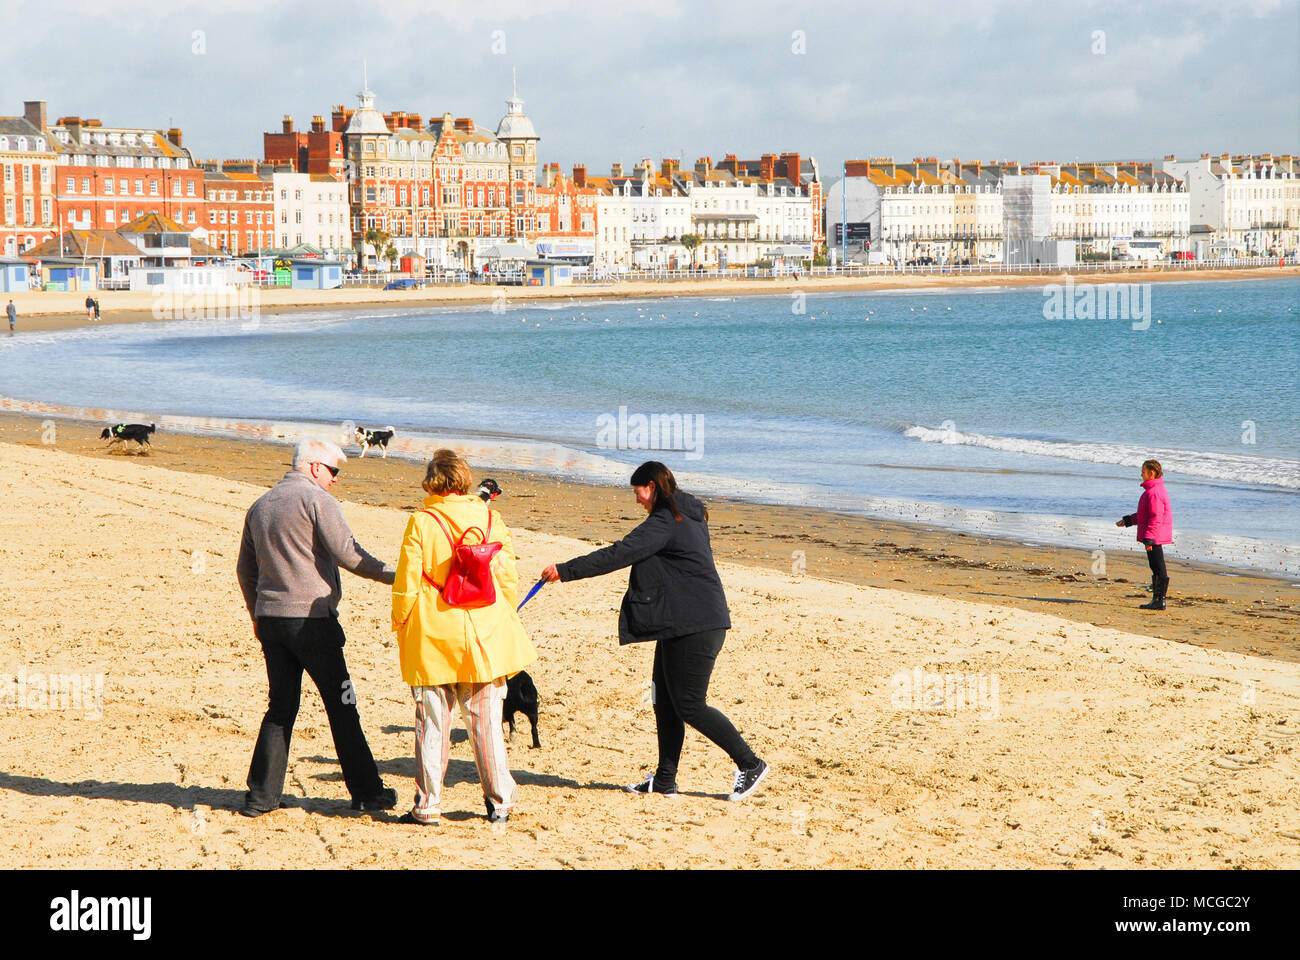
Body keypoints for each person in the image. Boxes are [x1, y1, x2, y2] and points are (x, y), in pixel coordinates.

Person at [541, 461, 769, 802]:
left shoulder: (666, 521)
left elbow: (618, 554)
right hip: (681, 621)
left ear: (651, 486)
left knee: (690, 705)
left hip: (697, 626)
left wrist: (565, 570)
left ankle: (750, 764)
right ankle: (665, 780)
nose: (636, 501)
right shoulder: (686, 513)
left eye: (637, 492)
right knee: (663, 701)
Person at [236, 439, 398, 817]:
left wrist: (256, 615)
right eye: (333, 471)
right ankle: (369, 794)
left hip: (272, 620)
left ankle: (261, 797)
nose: (335, 480)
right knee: (343, 705)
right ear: (313, 467)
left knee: (281, 706)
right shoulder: (317, 501)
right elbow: (350, 554)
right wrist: (398, 576)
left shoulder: (260, 506)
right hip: (312, 622)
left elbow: (246, 571)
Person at [392, 448, 536, 825]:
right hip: (484, 632)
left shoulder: (422, 521)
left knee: (433, 724)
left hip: (434, 631)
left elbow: (406, 581)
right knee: (486, 724)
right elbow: (506, 576)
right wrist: (506, 614)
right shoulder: (491, 517)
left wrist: (400, 622)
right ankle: (501, 801)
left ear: (432, 481)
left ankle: (427, 805)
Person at [1116, 459, 1173, 610]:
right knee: (1155, 566)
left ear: (1151, 473)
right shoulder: (1152, 491)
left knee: (1158, 567)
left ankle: (1159, 600)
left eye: (1143, 471)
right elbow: (1144, 515)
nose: (1141, 475)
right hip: (1153, 536)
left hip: (1154, 537)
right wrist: (1128, 520)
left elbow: (1156, 518)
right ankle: (1157, 599)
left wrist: (1149, 539)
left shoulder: (1154, 492)